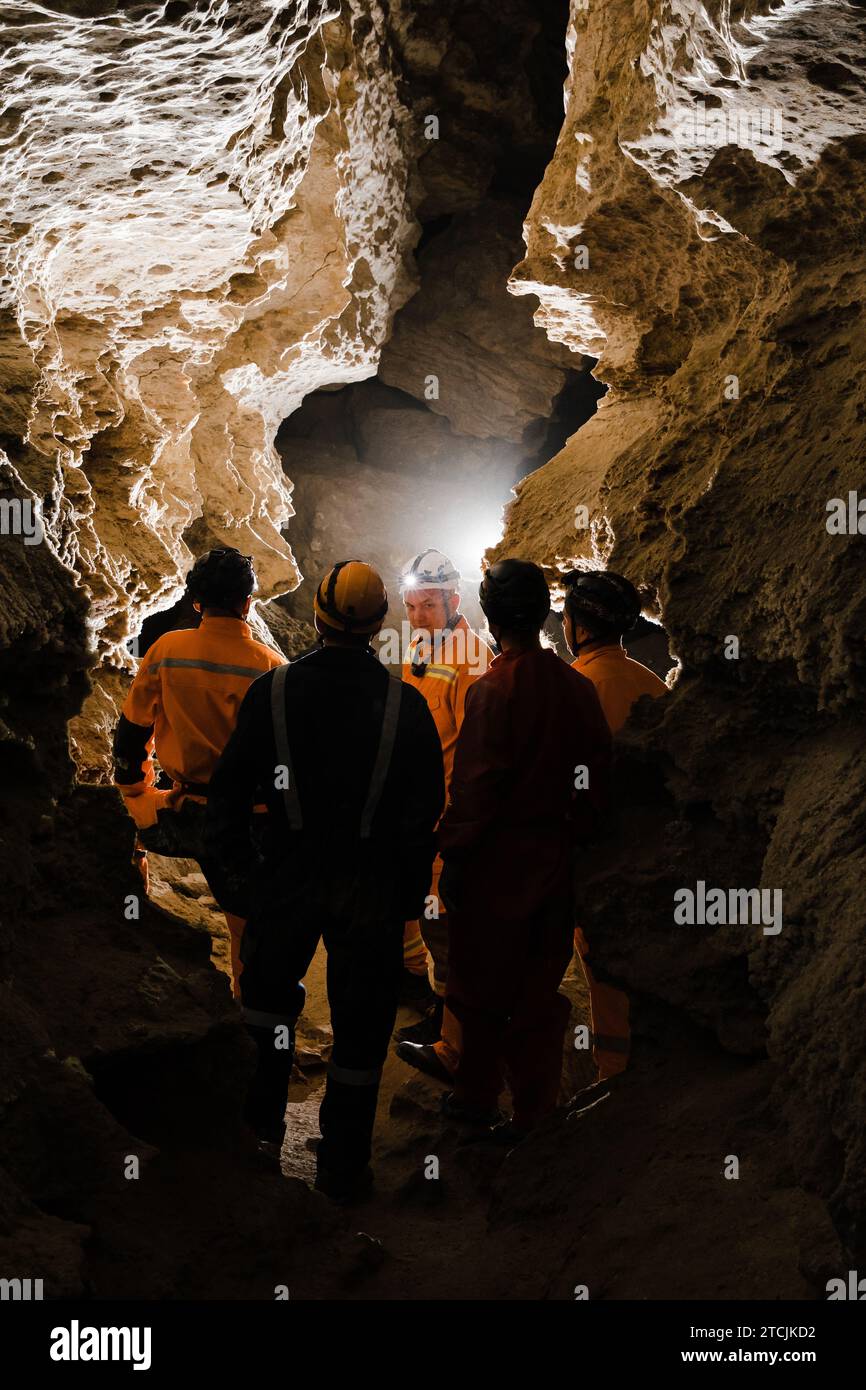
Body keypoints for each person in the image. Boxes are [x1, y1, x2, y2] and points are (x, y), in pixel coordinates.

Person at [204, 561, 445, 1202]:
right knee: (362, 1027)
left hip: (286, 874)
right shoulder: (405, 705)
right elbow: (422, 816)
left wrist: (240, 885)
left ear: (317, 613)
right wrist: (405, 899)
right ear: (379, 623)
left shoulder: (275, 691)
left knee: (267, 1010)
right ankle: (343, 1164)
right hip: (367, 882)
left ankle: (257, 1140)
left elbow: (227, 796)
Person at [433, 559, 612, 1143]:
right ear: (545, 615)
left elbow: (476, 787)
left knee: (480, 987)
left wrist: (454, 858)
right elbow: (592, 779)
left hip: (496, 864)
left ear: (489, 614)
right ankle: (536, 1113)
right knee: (538, 991)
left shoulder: (493, 689)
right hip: (555, 860)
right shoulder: (577, 687)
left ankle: (476, 1098)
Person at [112, 547, 284, 995]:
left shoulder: (167, 651)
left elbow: (131, 734)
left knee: (115, 822)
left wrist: (136, 792)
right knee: (247, 928)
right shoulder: (271, 668)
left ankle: (131, 927)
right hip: (247, 820)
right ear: (247, 603)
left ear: (195, 602)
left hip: (180, 810)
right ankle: (249, 1013)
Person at [561, 569, 668, 1079]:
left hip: (594, 853)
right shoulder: (650, 685)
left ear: (577, 626)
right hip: (653, 850)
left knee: (601, 967)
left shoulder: (577, 688)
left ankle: (613, 1074)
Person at [395, 549, 492, 1064]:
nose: (416, 617)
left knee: (445, 926)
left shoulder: (470, 659)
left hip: (445, 822)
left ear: (454, 600)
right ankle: (431, 999)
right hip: (417, 816)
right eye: (409, 606)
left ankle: (452, 1032)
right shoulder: (422, 647)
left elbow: (474, 756)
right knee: (424, 918)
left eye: (427, 606)